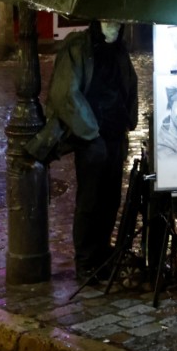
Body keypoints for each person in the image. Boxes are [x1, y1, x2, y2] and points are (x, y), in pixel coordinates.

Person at [26, 19, 138, 280]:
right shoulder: (77, 46)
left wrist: (126, 123)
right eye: (108, 19)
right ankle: (86, 260)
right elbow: (65, 94)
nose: (114, 25)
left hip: (114, 134)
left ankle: (101, 253)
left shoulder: (120, 49)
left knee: (110, 198)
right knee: (91, 198)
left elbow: (128, 86)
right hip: (91, 136)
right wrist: (91, 132)